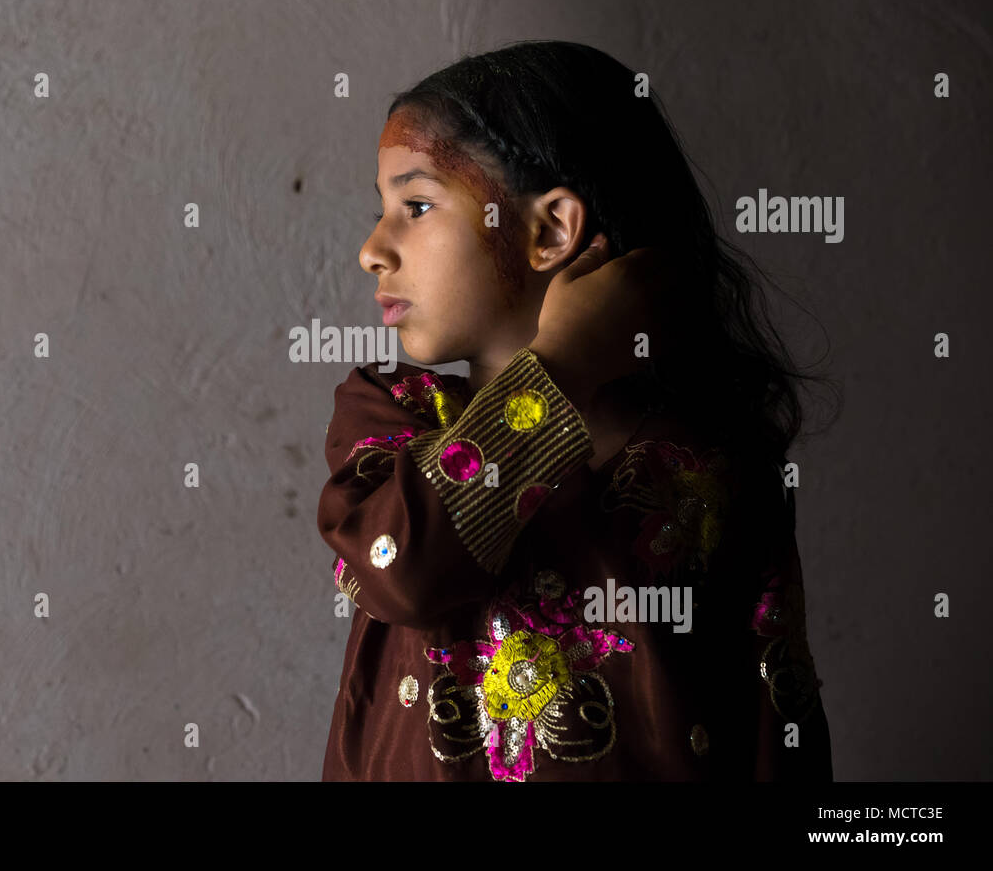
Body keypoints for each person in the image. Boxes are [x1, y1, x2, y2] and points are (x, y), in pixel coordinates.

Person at [317, 41, 838, 781]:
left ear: (550, 230)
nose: (373, 249)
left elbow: (776, 726)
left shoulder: (704, 462)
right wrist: (558, 372)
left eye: (417, 206)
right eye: (382, 211)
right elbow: (403, 572)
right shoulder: (396, 418)